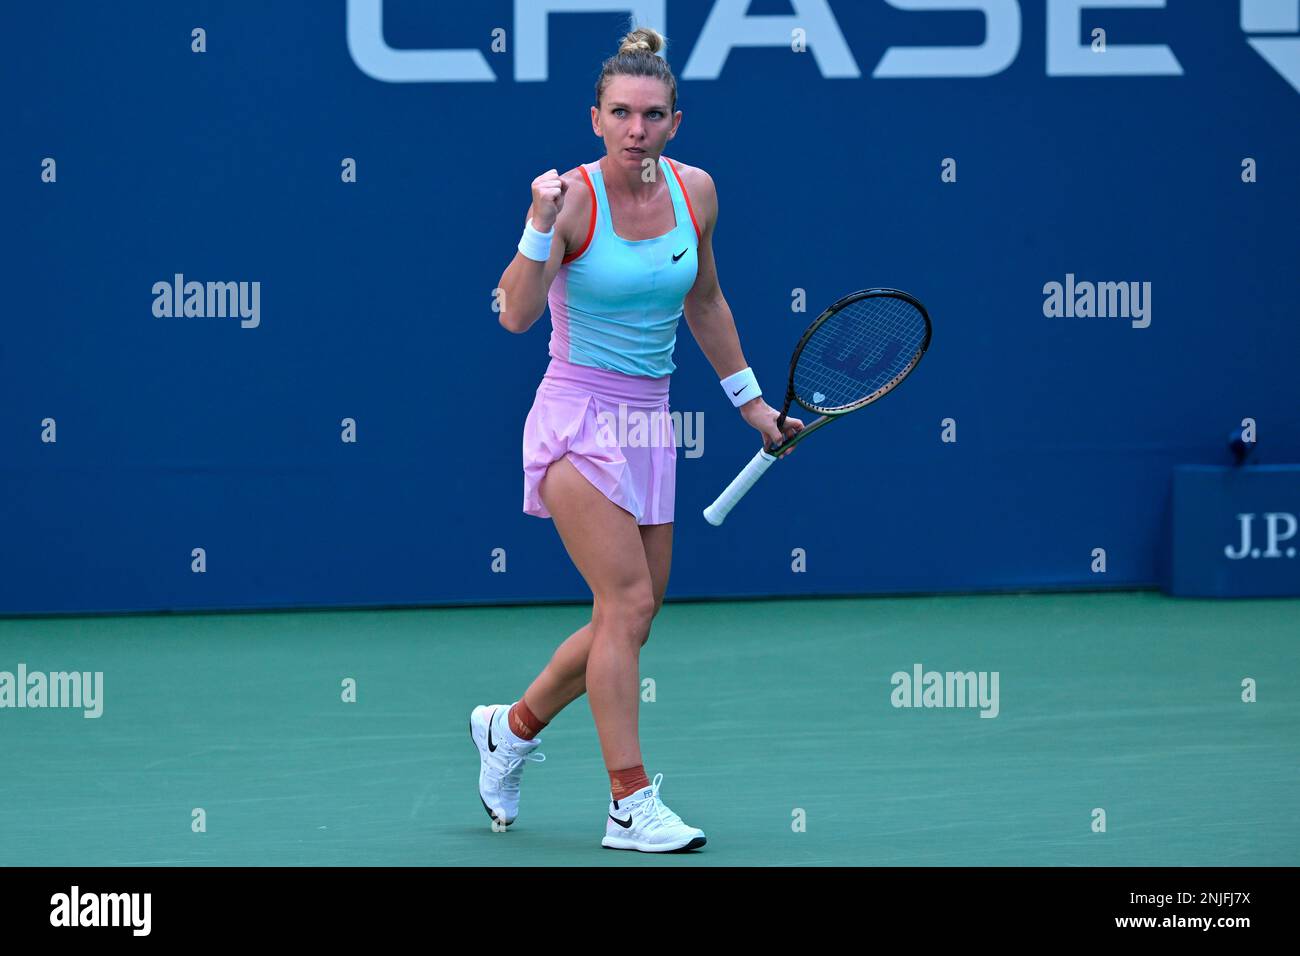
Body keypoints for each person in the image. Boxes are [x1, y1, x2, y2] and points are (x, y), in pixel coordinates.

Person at [472, 24, 803, 853]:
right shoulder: (572, 200)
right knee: (624, 604)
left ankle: (507, 730)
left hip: (650, 425)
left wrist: (751, 405)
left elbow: (707, 303)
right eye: (620, 113)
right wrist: (537, 226)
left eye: (652, 115)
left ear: (675, 124)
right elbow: (513, 314)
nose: (636, 130)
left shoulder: (697, 192)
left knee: (632, 618)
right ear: (595, 119)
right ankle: (628, 804)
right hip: (576, 420)